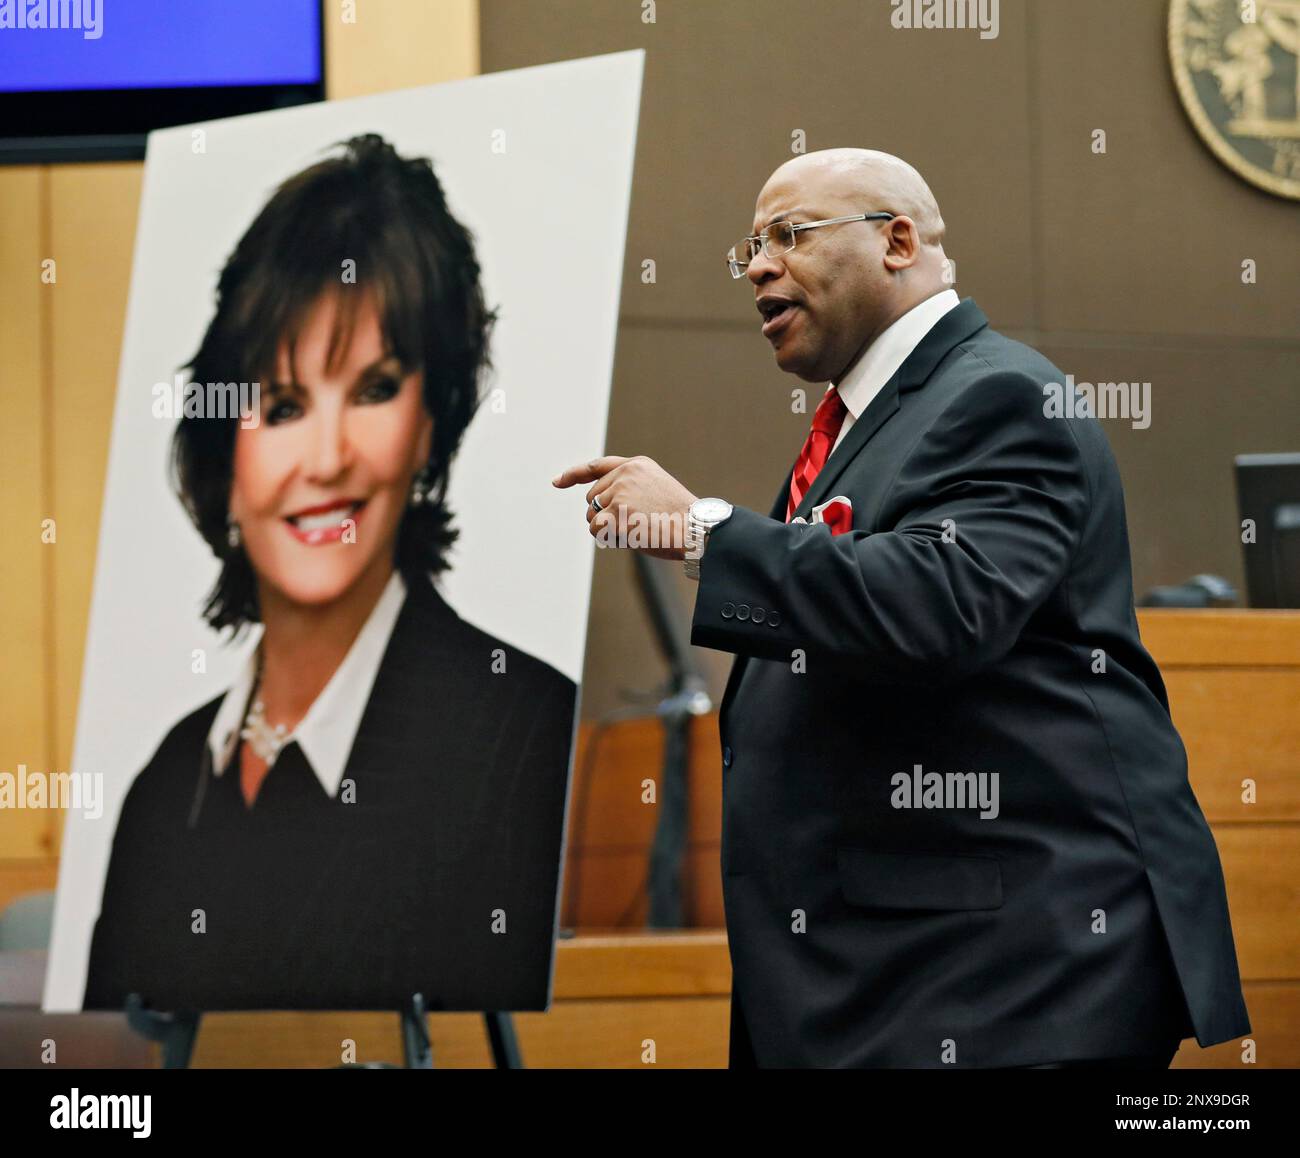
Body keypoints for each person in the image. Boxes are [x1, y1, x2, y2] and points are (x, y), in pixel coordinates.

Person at [552, 148, 1251, 1068]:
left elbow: (943, 602)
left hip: (1011, 972)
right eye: (750, 249)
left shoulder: (1001, 395)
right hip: (901, 971)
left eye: (790, 236)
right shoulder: (862, 424)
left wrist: (704, 530)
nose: (759, 265)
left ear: (898, 241)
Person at [84, 134, 576, 1013]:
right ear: (224, 456)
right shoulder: (166, 788)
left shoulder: (529, 737)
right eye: (280, 406)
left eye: (375, 389)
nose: (325, 458)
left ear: (433, 422)